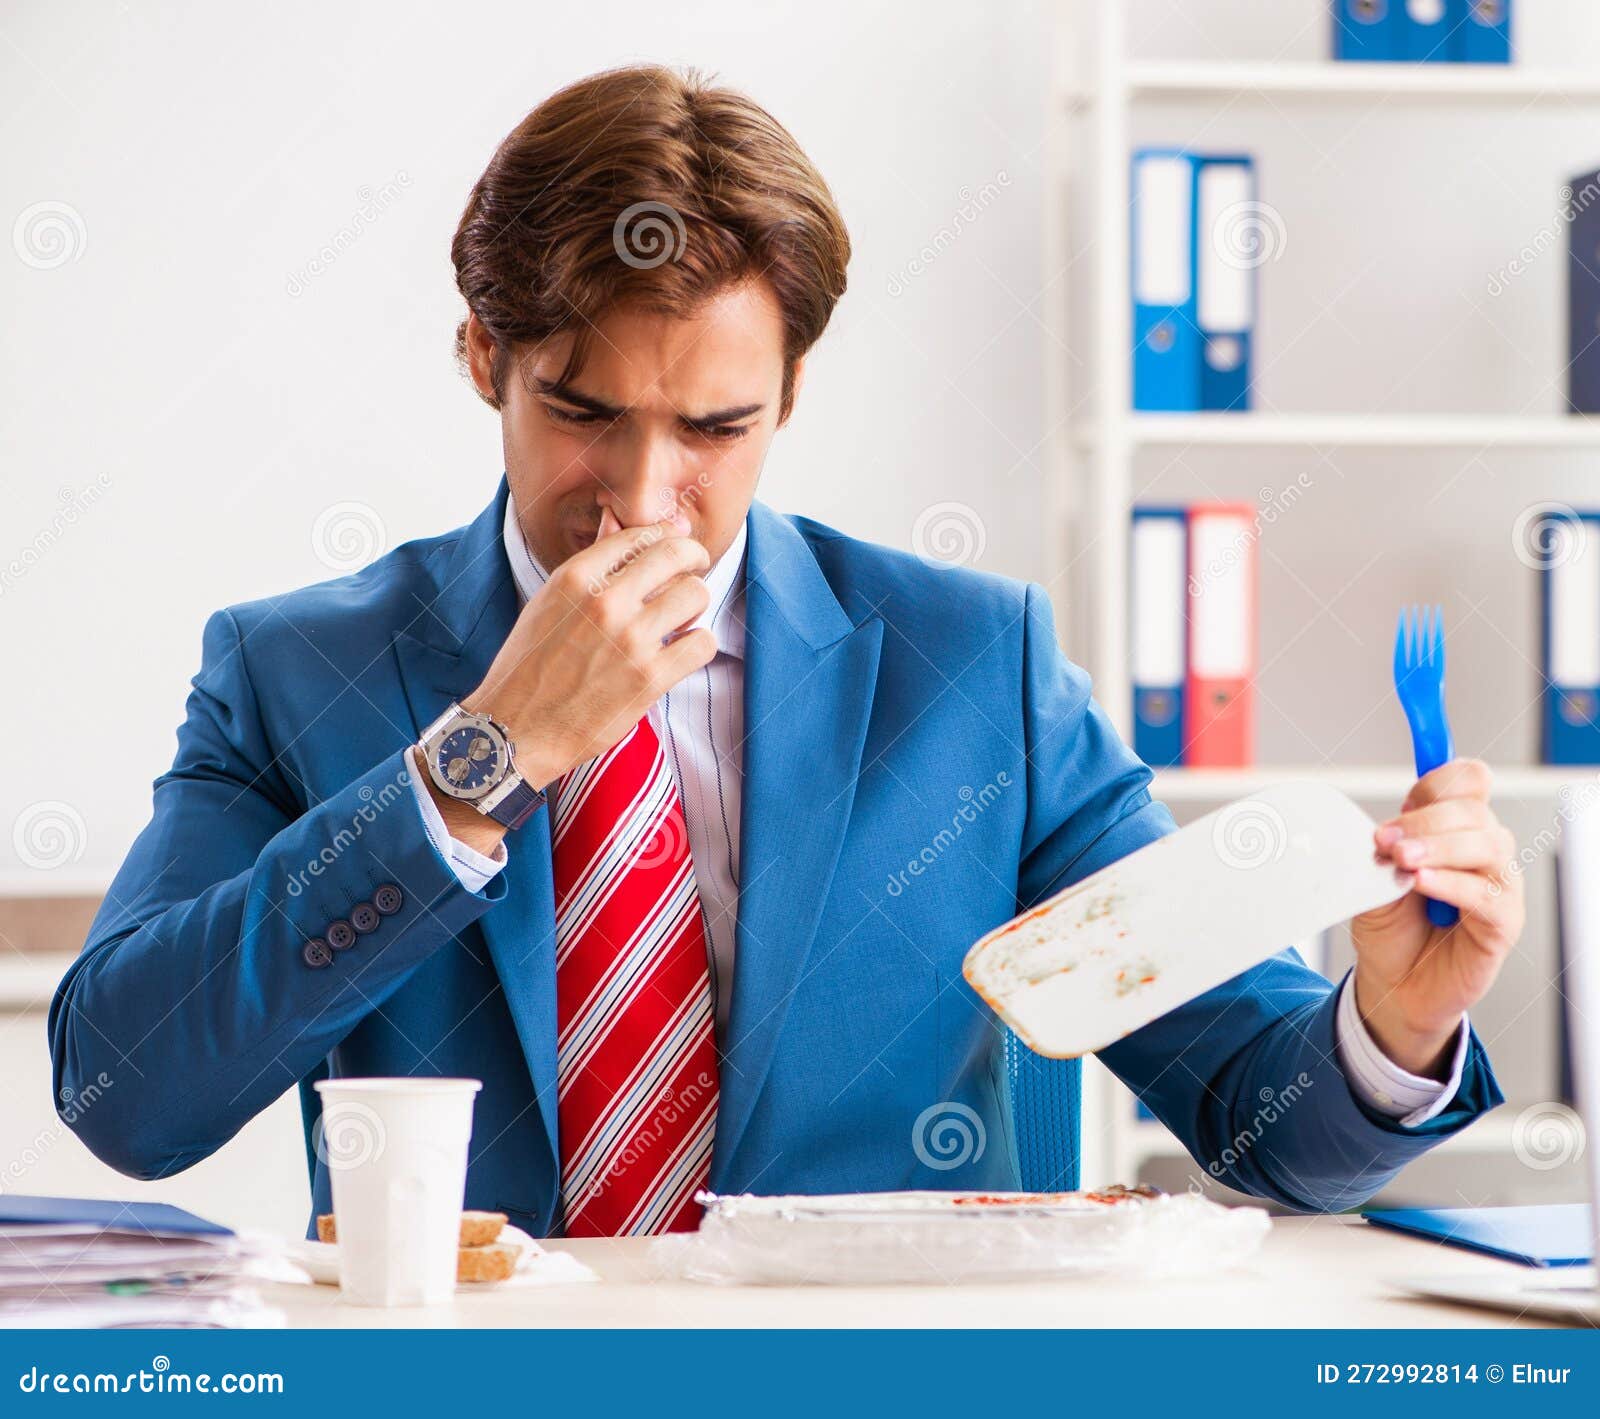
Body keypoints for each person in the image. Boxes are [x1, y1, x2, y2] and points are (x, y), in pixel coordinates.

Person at [50, 64, 1517, 1239]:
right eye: (580, 409)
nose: (638, 497)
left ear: (792, 394)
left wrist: (1393, 1023)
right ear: (482, 360)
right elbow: (127, 1091)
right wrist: (477, 764)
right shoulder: (295, 670)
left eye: (711, 429)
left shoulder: (974, 671)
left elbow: (1262, 1123)